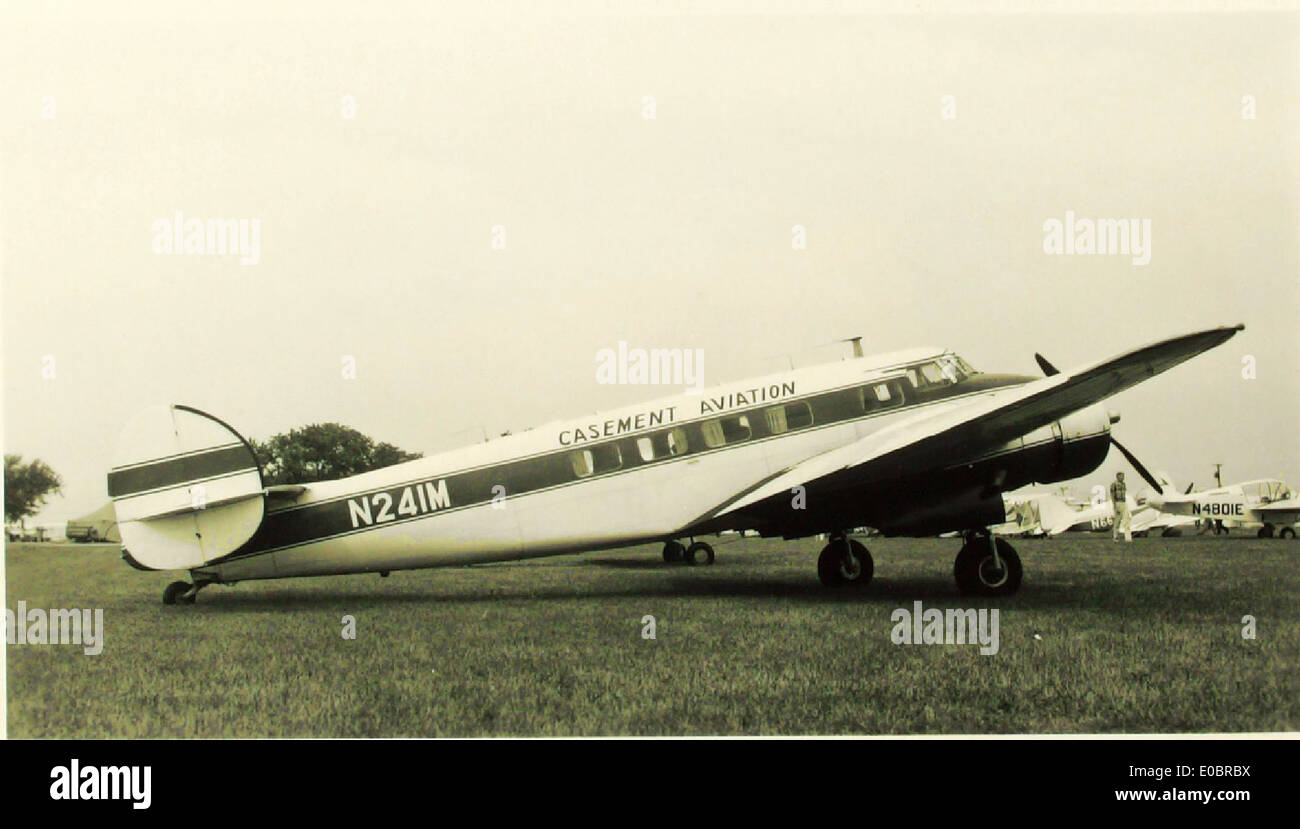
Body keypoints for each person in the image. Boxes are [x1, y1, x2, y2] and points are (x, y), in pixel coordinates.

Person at [1110, 472, 1132, 542]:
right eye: (1121, 476)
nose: (1123, 477)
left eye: (1123, 476)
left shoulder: (1123, 484)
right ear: (1117, 477)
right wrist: (1115, 505)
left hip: (1124, 502)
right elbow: (1112, 495)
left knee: (1127, 519)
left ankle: (1128, 538)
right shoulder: (1114, 484)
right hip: (1118, 502)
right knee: (1117, 521)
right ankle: (1115, 537)